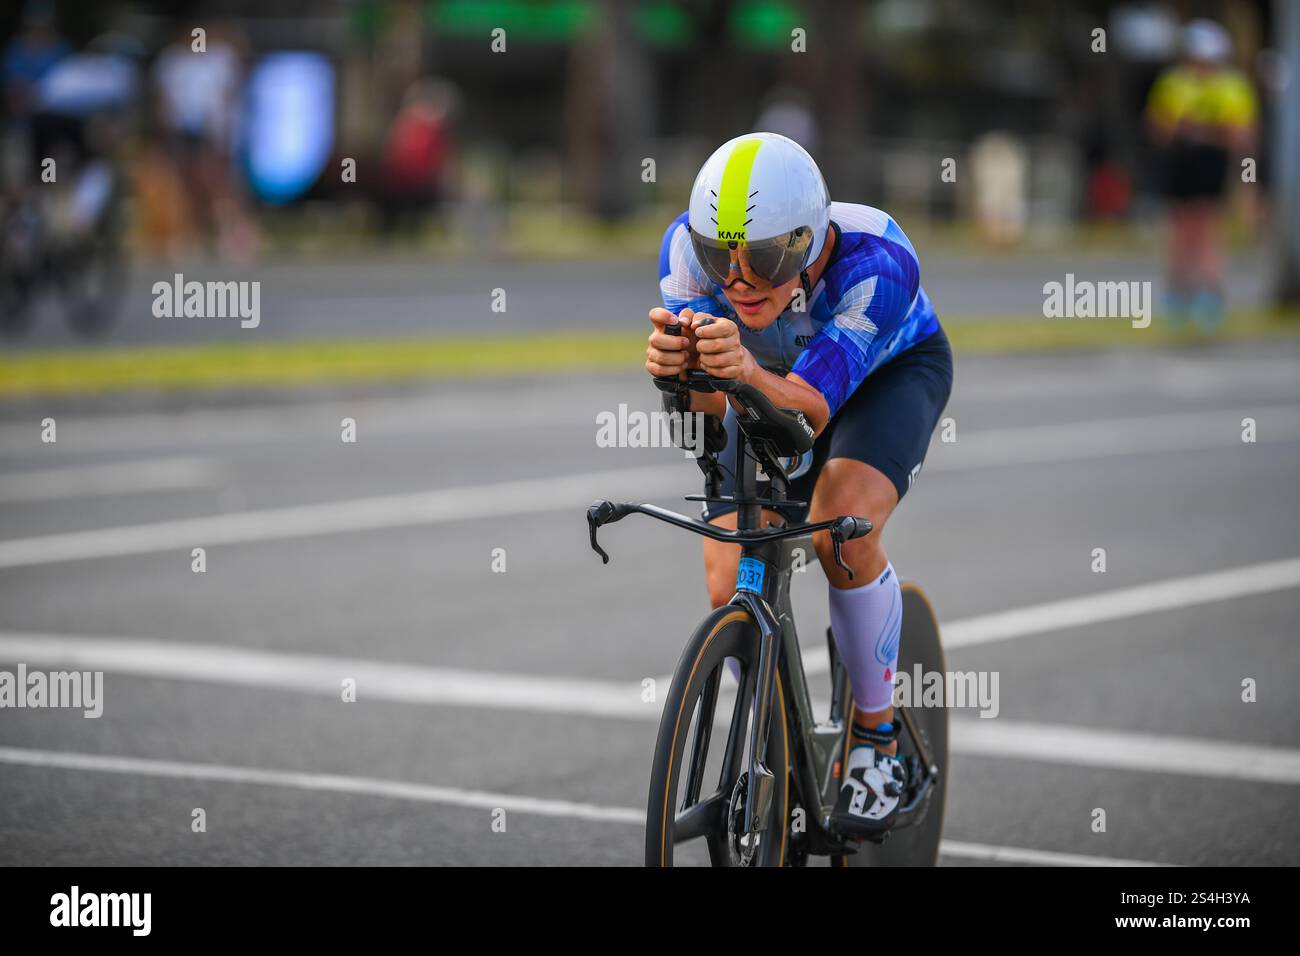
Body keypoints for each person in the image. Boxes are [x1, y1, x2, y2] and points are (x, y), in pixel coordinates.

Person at [647, 132, 952, 836]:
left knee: (841, 527)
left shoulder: (878, 261)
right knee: (728, 580)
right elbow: (706, 424)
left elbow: (813, 413)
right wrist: (679, 375)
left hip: (881, 380)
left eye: (762, 258)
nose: (739, 280)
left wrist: (744, 373)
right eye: (721, 255)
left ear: (809, 241)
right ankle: (775, 737)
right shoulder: (685, 255)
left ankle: (877, 741)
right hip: (758, 384)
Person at [1145, 18, 1259, 331]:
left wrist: (1203, 131)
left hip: (1212, 164)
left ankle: (1209, 297)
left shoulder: (1231, 86)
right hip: (1181, 163)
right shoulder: (1175, 82)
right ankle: (1177, 296)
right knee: (1180, 228)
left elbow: (1243, 136)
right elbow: (1158, 127)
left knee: (1208, 227)